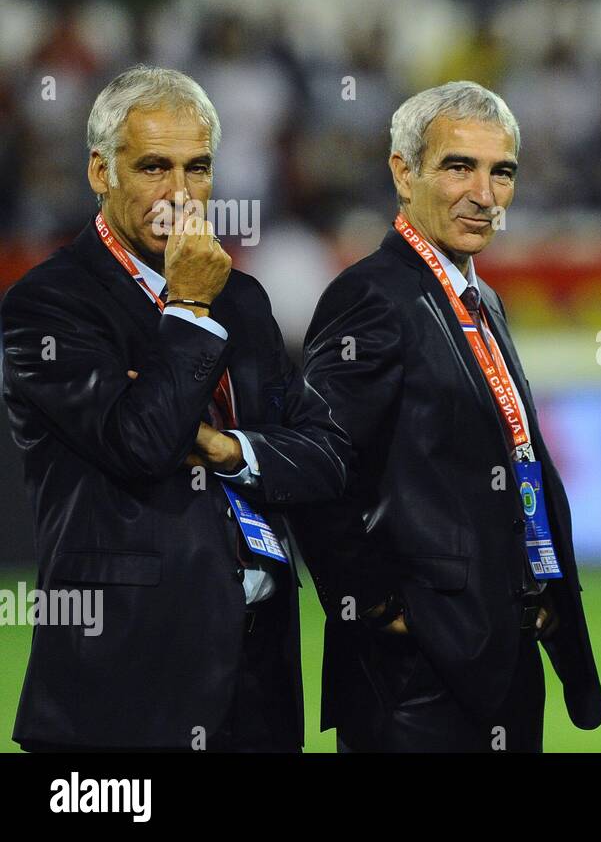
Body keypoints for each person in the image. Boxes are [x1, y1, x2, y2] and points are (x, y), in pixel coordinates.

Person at [1, 65, 347, 752]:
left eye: (198, 168)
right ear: (101, 172)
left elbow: (325, 455)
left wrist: (228, 448)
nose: (180, 193)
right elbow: (144, 442)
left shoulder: (243, 301)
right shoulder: (47, 306)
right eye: (155, 166)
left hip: (256, 687)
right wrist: (186, 306)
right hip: (123, 690)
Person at [292, 81, 601, 752]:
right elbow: (314, 467)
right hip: (415, 679)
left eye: (502, 173)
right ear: (404, 173)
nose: (484, 193)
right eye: (459, 166)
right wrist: (381, 607)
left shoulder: (479, 296)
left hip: (502, 651)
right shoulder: (371, 295)